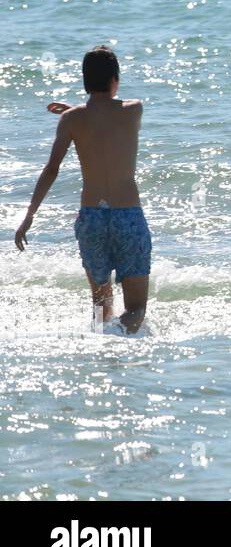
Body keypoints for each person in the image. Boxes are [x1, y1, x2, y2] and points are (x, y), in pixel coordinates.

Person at [14, 46, 152, 333]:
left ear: (85, 81)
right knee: (136, 308)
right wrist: (77, 112)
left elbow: (52, 169)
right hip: (127, 216)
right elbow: (110, 114)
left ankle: (104, 351)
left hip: (92, 218)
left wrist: (29, 215)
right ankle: (121, 345)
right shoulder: (134, 110)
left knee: (101, 305)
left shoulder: (72, 120)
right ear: (116, 79)